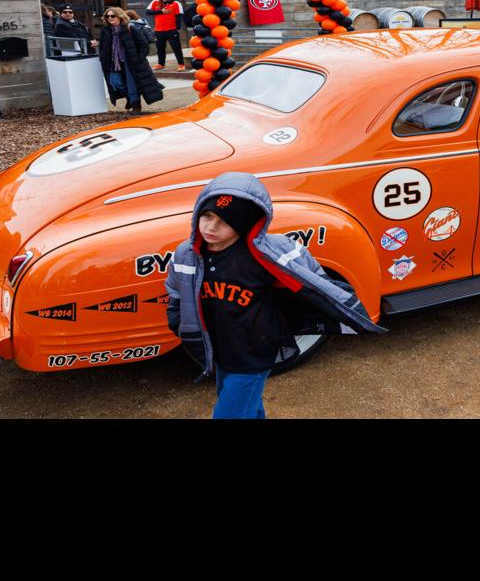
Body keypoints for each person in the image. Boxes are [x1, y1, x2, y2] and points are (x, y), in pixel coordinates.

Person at [164, 173, 382, 419]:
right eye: (207, 215)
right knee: (244, 403)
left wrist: (341, 308)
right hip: (218, 349)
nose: (211, 227)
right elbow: (177, 287)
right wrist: (176, 314)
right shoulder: (187, 253)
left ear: (246, 224)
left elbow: (311, 280)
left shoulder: (264, 255)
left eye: (225, 221)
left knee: (230, 412)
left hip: (255, 351)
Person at [97, 6, 164, 114]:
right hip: (114, 62)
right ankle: (129, 97)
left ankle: (136, 105)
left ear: (119, 16)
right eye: (107, 16)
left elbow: (144, 45)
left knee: (132, 83)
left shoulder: (130, 28)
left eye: (112, 15)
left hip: (130, 62)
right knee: (115, 82)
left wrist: (138, 58)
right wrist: (103, 59)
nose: (110, 18)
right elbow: (103, 48)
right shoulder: (105, 31)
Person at [146, 0, 184, 69]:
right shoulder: (156, 1)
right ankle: (161, 64)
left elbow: (179, 16)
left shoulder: (176, 3)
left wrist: (177, 29)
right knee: (160, 48)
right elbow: (148, 12)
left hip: (171, 30)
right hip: (158, 30)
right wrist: (160, 11)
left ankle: (181, 65)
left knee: (176, 48)